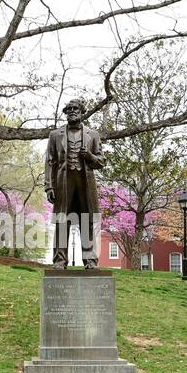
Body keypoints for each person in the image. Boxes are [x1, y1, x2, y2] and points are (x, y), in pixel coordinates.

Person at [44, 99, 104, 268]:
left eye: (75, 108)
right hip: (64, 183)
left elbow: (100, 161)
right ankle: (60, 261)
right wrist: (49, 186)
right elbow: (50, 162)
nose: (71, 111)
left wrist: (90, 156)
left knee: (87, 221)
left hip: (85, 183)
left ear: (82, 111)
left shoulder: (93, 135)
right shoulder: (55, 135)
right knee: (63, 221)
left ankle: (90, 260)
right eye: (68, 109)